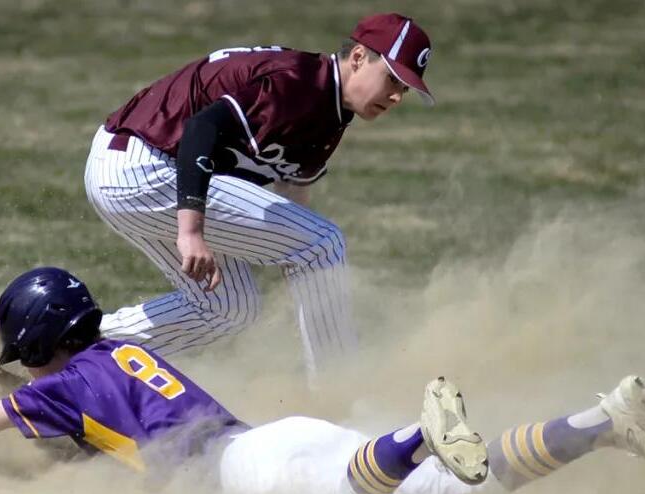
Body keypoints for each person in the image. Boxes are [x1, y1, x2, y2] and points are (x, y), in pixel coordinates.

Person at [0, 268, 645, 494]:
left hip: (243, 472)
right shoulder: (123, 351)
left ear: (36, 347)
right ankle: (601, 419)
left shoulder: (62, 386)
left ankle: (418, 434)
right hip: (272, 438)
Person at [84, 13, 436, 377]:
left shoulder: (331, 109)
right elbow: (201, 127)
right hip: (141, 167)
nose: (396, 96)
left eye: (406, 88)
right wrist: (191, 232)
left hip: (144, 171)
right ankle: (342, 403)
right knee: (323, 243)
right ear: (359, 58)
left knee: (230, 308)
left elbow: (292, 191)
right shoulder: (298, 85)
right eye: (392, 79)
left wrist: (302, 271)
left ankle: (71, 349)